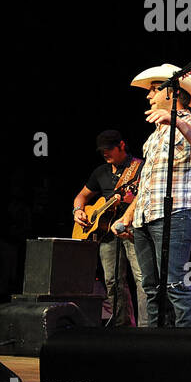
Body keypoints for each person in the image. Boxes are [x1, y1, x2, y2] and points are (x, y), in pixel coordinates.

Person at [112, 64, 191, 327]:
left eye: (154, 90)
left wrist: (176, 121)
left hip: (177, 212)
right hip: (146, 216)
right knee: (150, 287)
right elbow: (146, 182)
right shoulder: (155, 135)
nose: (149, 96)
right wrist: (128, 215)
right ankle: (154, 348)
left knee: (175, 284)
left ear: (172, 91)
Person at [71, 130, 145, 326]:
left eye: (109, 149)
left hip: (132, 229)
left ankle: (147, 327)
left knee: (141, 278)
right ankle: (123, 325)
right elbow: (81, 196)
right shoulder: (100, 172)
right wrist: (78, 211)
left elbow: (147, 194)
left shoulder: (139, 167)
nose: (105, 153)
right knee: (112, 280)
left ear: (122, 145)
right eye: (102, 150)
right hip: (106, 233)